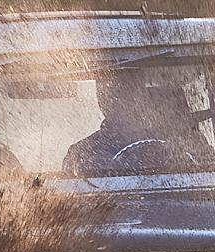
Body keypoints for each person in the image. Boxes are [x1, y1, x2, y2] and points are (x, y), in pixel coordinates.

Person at [63, 75, 195, 177]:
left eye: (128, 92)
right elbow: (67, 197)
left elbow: (210, 174)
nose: (119, 99)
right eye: (111, 93)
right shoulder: (81, 152)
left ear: (142, 95)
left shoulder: (184, 142)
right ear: (100, 100)